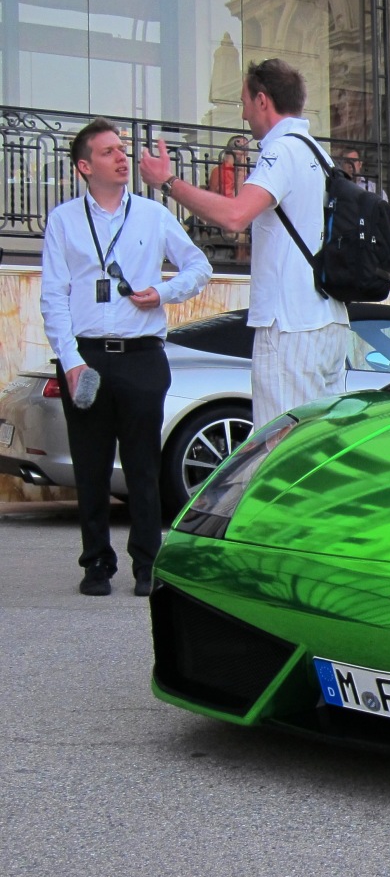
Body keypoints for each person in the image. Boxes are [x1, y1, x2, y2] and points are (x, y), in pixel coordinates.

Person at [40, 117, 213, 597]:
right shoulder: (63, 221)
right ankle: (96, 563)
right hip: (87, 356)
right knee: (91, 467)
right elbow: (53, 297)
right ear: (83, 166)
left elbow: (200, 267)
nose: (122, 158)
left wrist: (162, 292)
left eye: (122, 149)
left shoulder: (153, 217)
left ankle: (146, 565)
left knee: (142, 466)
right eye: (108, 151)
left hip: (141, 355)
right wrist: (72, 363)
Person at [139, 58, 349, 429]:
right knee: (317, 446)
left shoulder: (280, 150)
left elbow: (236, 215)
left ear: (263, 101)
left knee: (282, 446)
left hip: (290, 325)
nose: (244, 114)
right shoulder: (318, 153)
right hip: (327, 321)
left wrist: (168, 182)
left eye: (244, 103)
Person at [338, 147, 390, 235]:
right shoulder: (337, 187)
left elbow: (389, 211)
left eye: (354, 161)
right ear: (341, 165)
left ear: (360, 164)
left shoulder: (373, 188)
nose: (351, 165)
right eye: (347, 161)